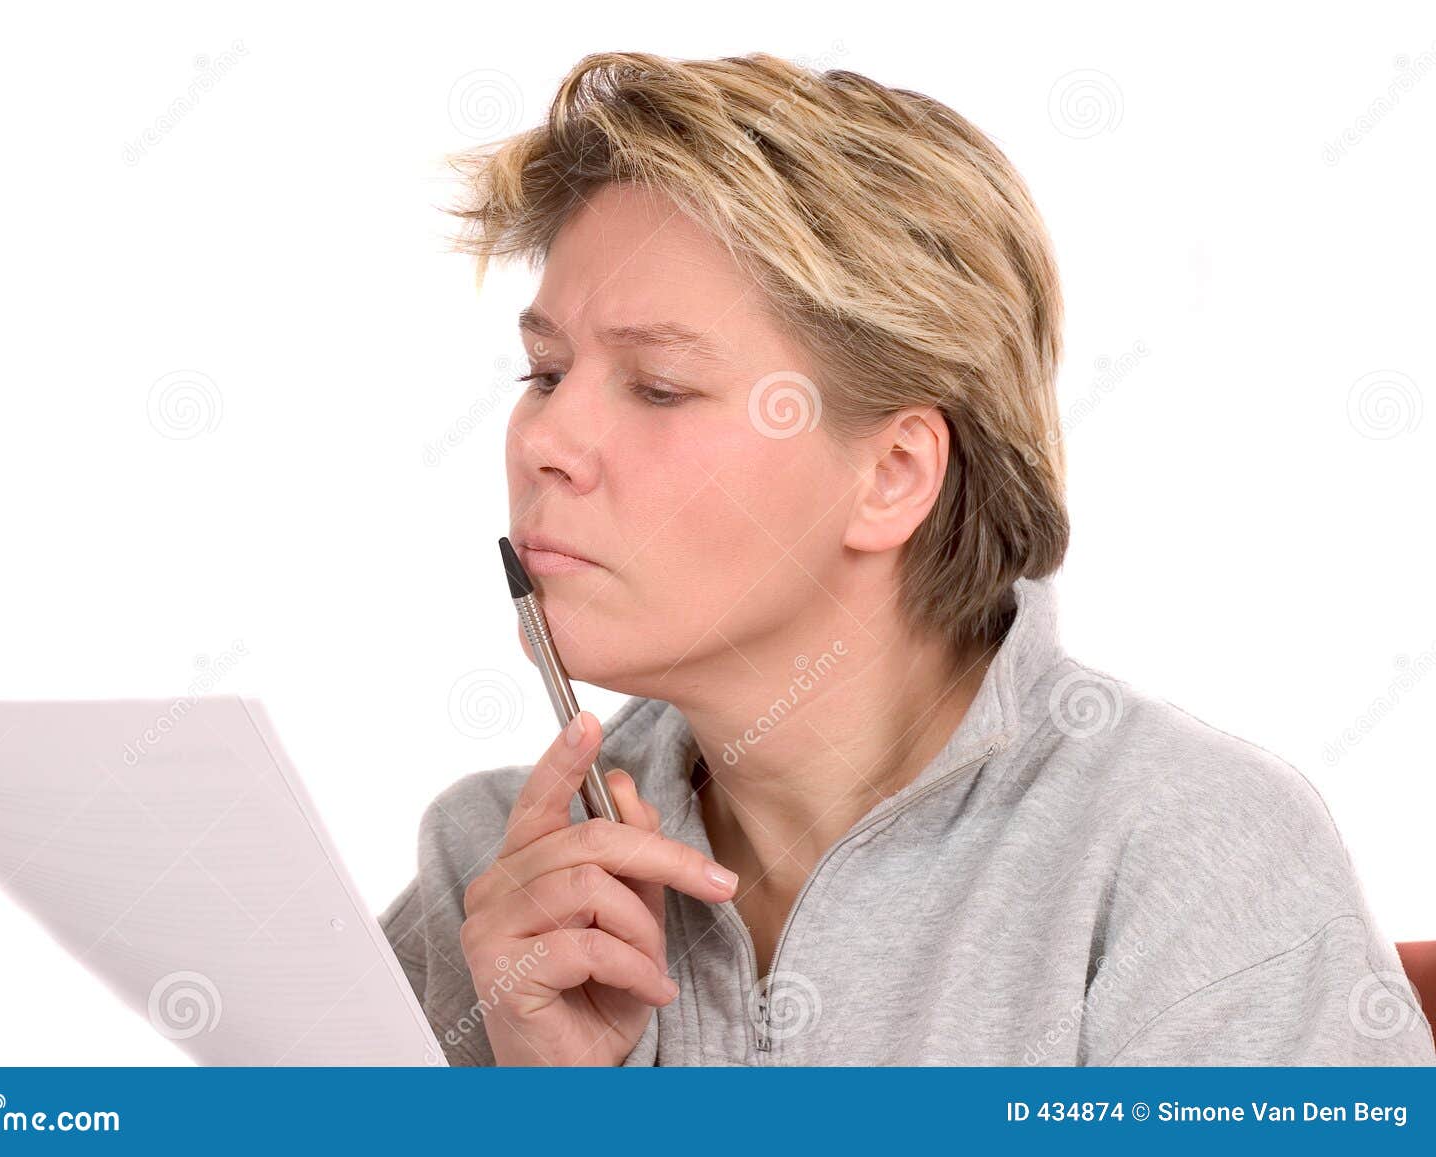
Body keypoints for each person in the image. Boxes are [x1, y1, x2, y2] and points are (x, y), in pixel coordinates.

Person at [380, 51, 1436, 1066]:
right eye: (545, 370)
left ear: (891, 472)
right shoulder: (486, 876)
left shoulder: (1183, 853)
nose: (544, 443)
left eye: (656, 386)